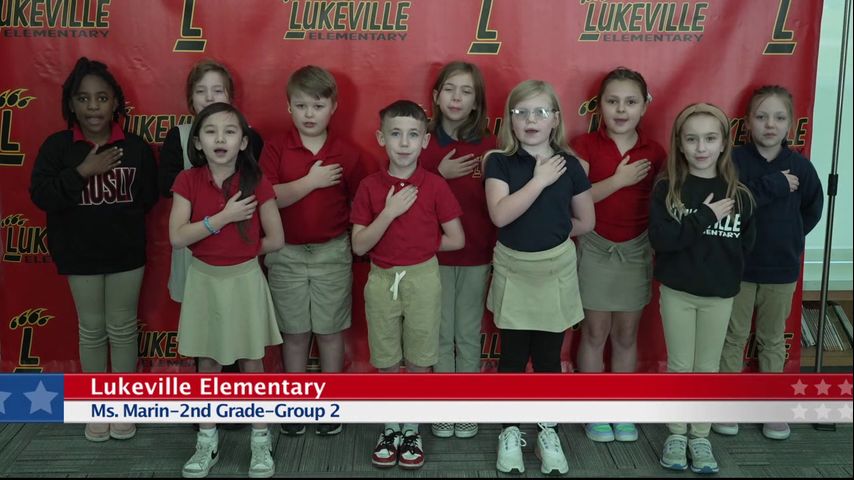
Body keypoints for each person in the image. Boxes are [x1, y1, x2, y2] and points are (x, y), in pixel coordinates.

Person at [29, 56, 157, 443]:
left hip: (125, 255)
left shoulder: (134, 148)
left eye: (101, 98)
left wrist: (118, 220)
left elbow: (148, 196)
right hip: (79, 255)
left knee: (121, 328)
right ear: (71, 104)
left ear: (115, 103)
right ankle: (94, 406)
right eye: (83, 99)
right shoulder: (58, 147)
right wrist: (84, 171)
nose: (93, 107)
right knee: (92, 329)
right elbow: (42, 195)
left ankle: (123, 407)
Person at [484, 80, 595, 476]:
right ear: (510, 120)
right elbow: (500, 215)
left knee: (549, 358)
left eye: (540, 112)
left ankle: (548, 429)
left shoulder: (571, 164)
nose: (531, 120)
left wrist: (553, 233)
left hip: (554, 271)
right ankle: (510, 430)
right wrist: (539, 180)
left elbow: (586, 220)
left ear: (555, 120)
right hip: (515, 270)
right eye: (521, 112)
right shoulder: (498, 161)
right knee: (512, 357)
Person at [169, 102, 284, 478]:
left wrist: (242, 251)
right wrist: (223, 219)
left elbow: (277, 238)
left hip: (245, 278)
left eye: (230, 131)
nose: (220, 138)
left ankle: (260, 440)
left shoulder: (257, 181)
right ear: (198, 142)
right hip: (203, 280)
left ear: (243, 141)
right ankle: (207, 441)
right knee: (208, 363)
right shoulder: (187, 180)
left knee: (253, 362)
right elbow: (177, 236)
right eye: (211, 131)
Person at [350, 100, 464, 469]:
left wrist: (419, 248)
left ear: (425, 140)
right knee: (386, 358)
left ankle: (411, 427)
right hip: (382, 278)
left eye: (412, 135)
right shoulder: (370, 186)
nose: (403, 143)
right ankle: (391, 426)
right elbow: (359, 244)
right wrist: (390, 212)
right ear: (381, 138)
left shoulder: (433, 185)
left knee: (419, 357)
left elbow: (456, 238)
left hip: (423, 277)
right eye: (395, 134)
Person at [649, 103, 756, 474]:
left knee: (707, 367)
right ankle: (677, 433)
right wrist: (705, 218)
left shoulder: (739, 193)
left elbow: (747, 244)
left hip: (719, 296)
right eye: (692, 139)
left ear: (724, 143)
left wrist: (723, 276)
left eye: (710, 138)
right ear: (679, 143)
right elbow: (662, 240)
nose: (701, 147)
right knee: (681, 366)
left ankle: (700, 435)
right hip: (678, 293)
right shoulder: (668, 187)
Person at [259, 65, 365, 437]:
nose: (308, 114)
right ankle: (295, 404)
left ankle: (329, 404)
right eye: (300, 106)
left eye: (317, 106)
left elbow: (361, 204)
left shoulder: (348, 154)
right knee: (295, 332)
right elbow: (267, 197)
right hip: (285, 253)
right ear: (288, 107)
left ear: (333, 107)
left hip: (332, 253)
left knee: (330, 330)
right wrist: (310, 181)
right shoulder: (275, 147)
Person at [715, 86, 823, 440]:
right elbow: (732, 202)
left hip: (781, 269)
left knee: (773, 339)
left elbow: (811, 210)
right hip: (740, 268)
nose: (770, 125)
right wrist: (772, 186)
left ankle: (771, 406)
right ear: (747, 122)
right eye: (761, 117)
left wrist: (789, 237)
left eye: (778, 118)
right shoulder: (733, 162)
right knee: (734, 337)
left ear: (791, 124)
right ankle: (729, 404)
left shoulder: (802, 168)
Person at [570, 67, 666, 443]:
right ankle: (594, 409)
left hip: (636, 249)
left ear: (645, 106)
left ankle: (622, 408)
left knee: (626, 335)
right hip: (594, 246)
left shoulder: (654, 151)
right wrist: (618, 181)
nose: (621, 110)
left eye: (630, 101)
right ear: (599, 107)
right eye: (612, 101)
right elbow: (574, 199)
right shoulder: (584, 146)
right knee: (594, 332)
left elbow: (664, 204)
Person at [419, 61, 497, 440]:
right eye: (450, 89)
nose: (456, 97)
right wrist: (438, 174)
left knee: (467, 333)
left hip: (477, 254)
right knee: (438, 334)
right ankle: (442, 404)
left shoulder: (490, 145)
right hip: (430, 254)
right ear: (435, 96)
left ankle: (465, 406)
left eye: (466, 91)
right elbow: (400, 189)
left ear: (476, 101)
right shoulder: (421, 141)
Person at [159, 59, 263, 303]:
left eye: (217, 90)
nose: (209, 98)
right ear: (191, 99)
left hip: (239, 251)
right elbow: (165, 186)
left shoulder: (249, 137)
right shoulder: (180, 137)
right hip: (194, 248)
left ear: (230, 97)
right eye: (200, 91)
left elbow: (261, 190)